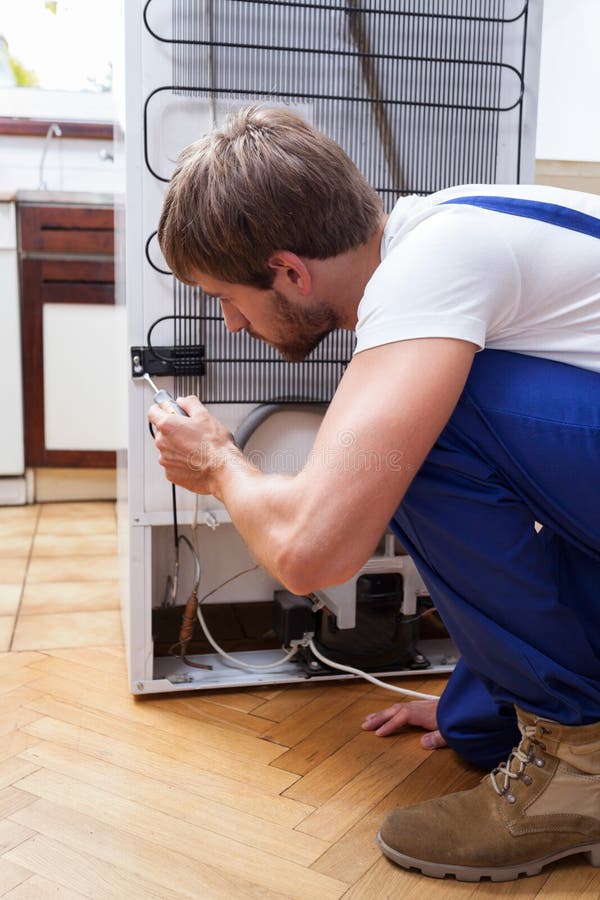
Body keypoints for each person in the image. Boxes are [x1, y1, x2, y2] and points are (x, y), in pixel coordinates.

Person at [148, 106, 600, 882]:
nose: (228, 325)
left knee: (426, 426)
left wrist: (221, 462)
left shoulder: (427, 274)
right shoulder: (442, 234)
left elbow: (309, 551)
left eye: (226, 297)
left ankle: (579, 775)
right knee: (478, 724)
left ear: (290, 271)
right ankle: (533, 718)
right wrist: (490, 694)